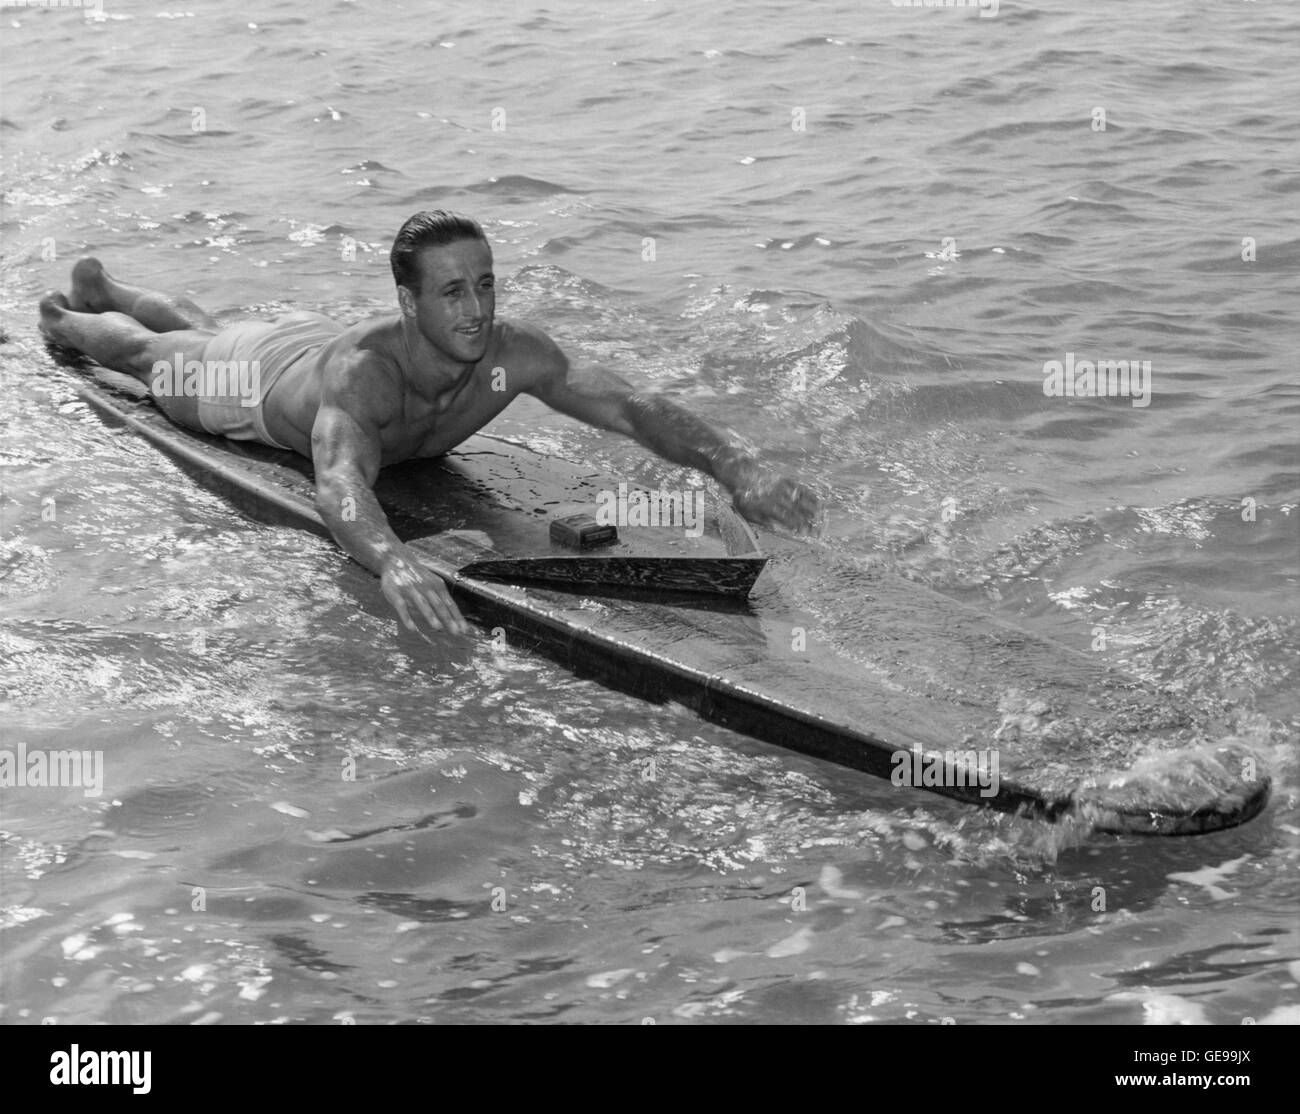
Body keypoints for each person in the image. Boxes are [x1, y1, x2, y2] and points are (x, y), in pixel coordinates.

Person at [39, 210, 819, 635]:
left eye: (484, 284)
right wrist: (391, 560)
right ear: (410, 303)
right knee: (157, 357)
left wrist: (731, 464)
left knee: (206, 326)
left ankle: (108, 280)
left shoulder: (515, 354)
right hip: (252, 383)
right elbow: (339, 483)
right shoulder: (366, 377)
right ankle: (71, 317)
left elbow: (632, 406)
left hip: (298, 341)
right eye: (452, 293)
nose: (477, 310)